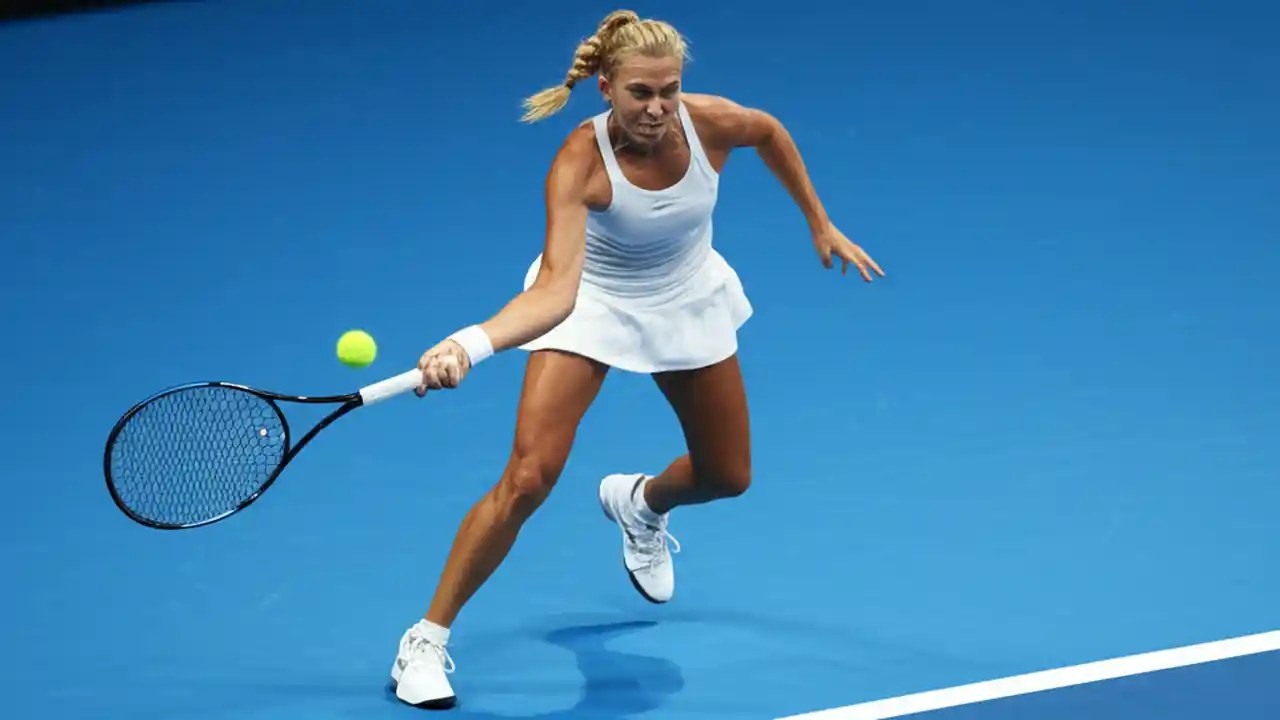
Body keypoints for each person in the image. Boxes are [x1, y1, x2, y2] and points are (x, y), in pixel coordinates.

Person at [388, 8, 884, 710]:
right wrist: (471, 342)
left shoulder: (709, 123)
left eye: (668, 91)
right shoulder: (577, 163)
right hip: (590, 303)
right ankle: (425, 640)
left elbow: (768, 131)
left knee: (727, 476)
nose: (657, 108)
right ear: (605, 91)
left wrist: (818, 220)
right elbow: (557, 293)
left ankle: (641, 502)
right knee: (528, 477)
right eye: (639, 93)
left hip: (685, 298)